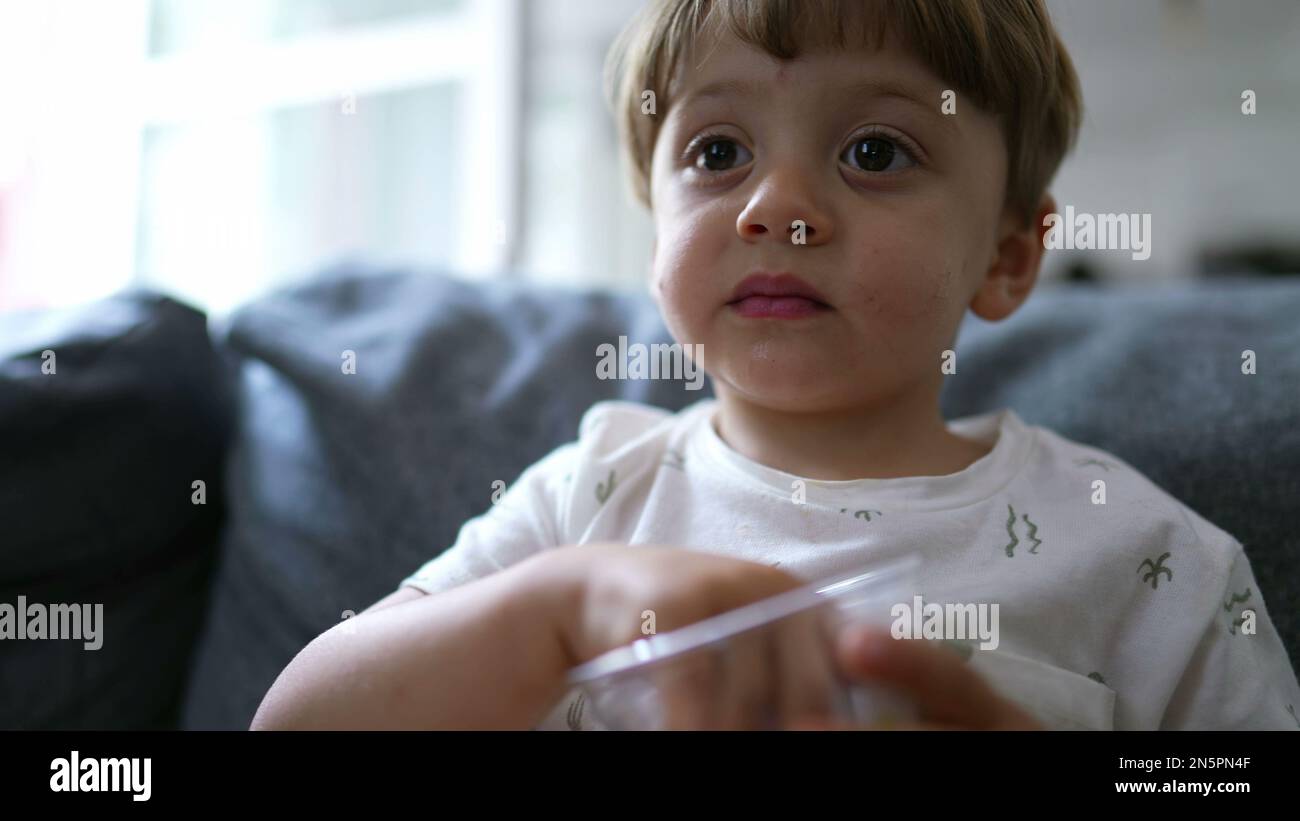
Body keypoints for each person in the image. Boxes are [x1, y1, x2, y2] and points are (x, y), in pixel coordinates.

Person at [252, 0, 1300, 731]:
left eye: (875, 152)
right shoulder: (592, 496)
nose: (774, 207)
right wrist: (556, 609)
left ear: (1007, 254)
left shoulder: (1145, 553)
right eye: (716, 153)